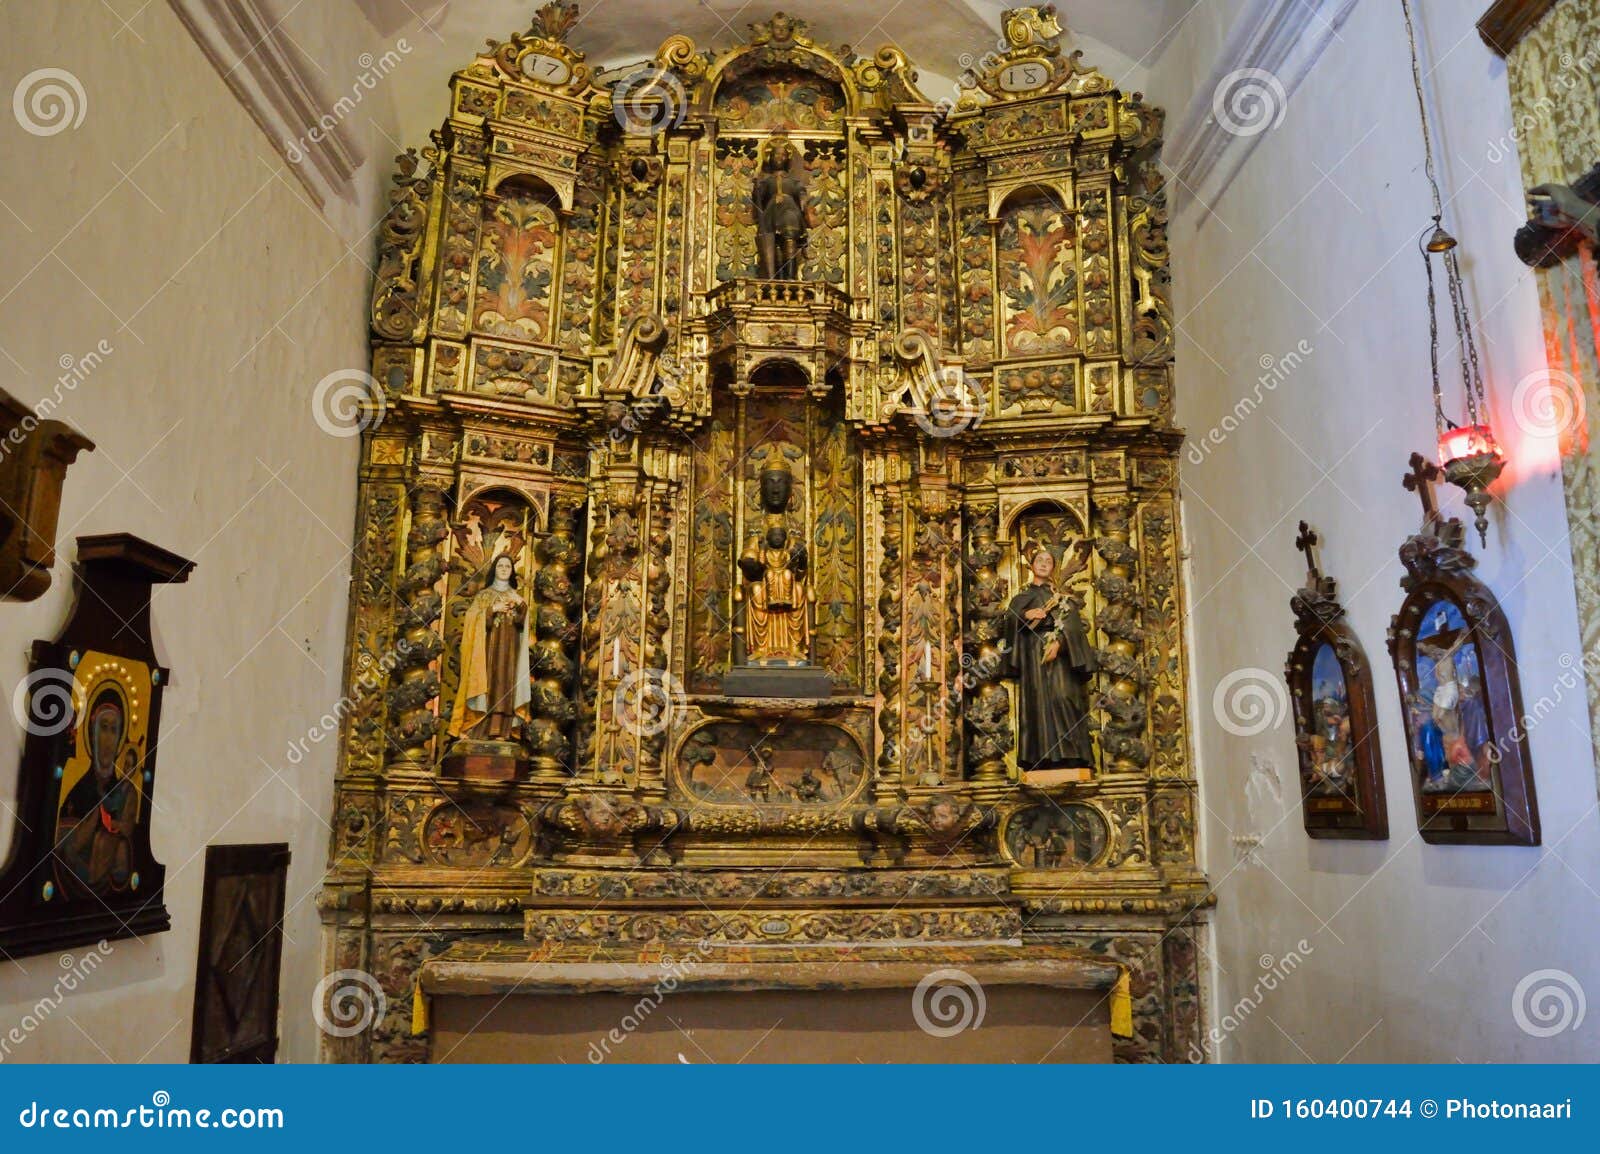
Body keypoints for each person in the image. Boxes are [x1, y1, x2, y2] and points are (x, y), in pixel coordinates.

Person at [1004, 541, 1097, 770]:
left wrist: (1061, 642)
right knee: (1037, 704)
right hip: (1033, 658)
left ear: (1053, 568)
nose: (1044, 564)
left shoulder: (1062, 599)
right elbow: (1008, 625)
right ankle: (1040, 758)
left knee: (1064, 697)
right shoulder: (1021, 599)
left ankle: (1072, 754)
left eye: (1048, 562)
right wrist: (1025, 614)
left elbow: (1074, 628)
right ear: (1031, 565)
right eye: (1040, 561)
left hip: (1061, 660)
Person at [450, 553, 531, 742]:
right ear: (495, 569)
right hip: (487, 651)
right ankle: (476, 727)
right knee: (486, 684)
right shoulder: (484, 595)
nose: (504, 569)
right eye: (501, 566)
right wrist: (491, 610)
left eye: (508, 567)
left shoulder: (516, 596)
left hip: (509, 651)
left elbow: (522, 624)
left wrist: (522, 608)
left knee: (504, 685)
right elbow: (471, 618)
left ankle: (501, 729)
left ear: (512, 572)